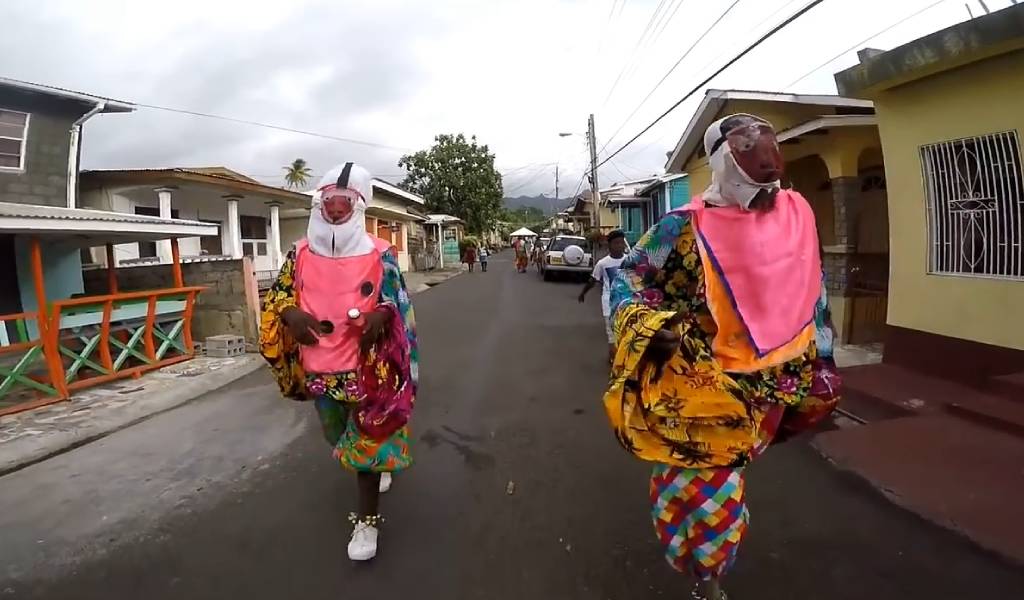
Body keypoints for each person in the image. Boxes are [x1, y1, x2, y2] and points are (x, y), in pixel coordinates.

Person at [603, 114, 841, 600]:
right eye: (750, 151)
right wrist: (654, 327)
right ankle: (707, 577)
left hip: (778, 381)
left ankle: (708, 561)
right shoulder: (684, 226)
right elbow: (627, 279)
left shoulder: (797, 214)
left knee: (724, 478)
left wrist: (824, 357)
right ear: (725, 161)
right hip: (703, 386)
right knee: (706, 488)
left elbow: (812, 287)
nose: (768, 163)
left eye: (771, 150)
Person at [259, 161, 418, 562]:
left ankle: (366, 523)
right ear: (320, 202)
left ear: (359, 205)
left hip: (366, 367)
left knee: (368, 442)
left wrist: (379, 317)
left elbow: (397, 303)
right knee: (337, 435)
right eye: (330, 200)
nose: (335, 208)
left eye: (344, 201)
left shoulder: (381, 253)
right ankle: (372, 466)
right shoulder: (299, 253)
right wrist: (290, 313)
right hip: (320, 368)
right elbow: (278, 296)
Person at [578, 229, 627, 362]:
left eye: (622, 243)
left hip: (627, 302)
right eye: (616, 243)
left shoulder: (629, 260)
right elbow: (593, 280)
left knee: (625, 332)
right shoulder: (603, 263)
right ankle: (614, 361)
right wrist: (583, 293)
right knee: (611, 333)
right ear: (609, 245)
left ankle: (624, 359)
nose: (620, 246)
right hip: (608, 303)